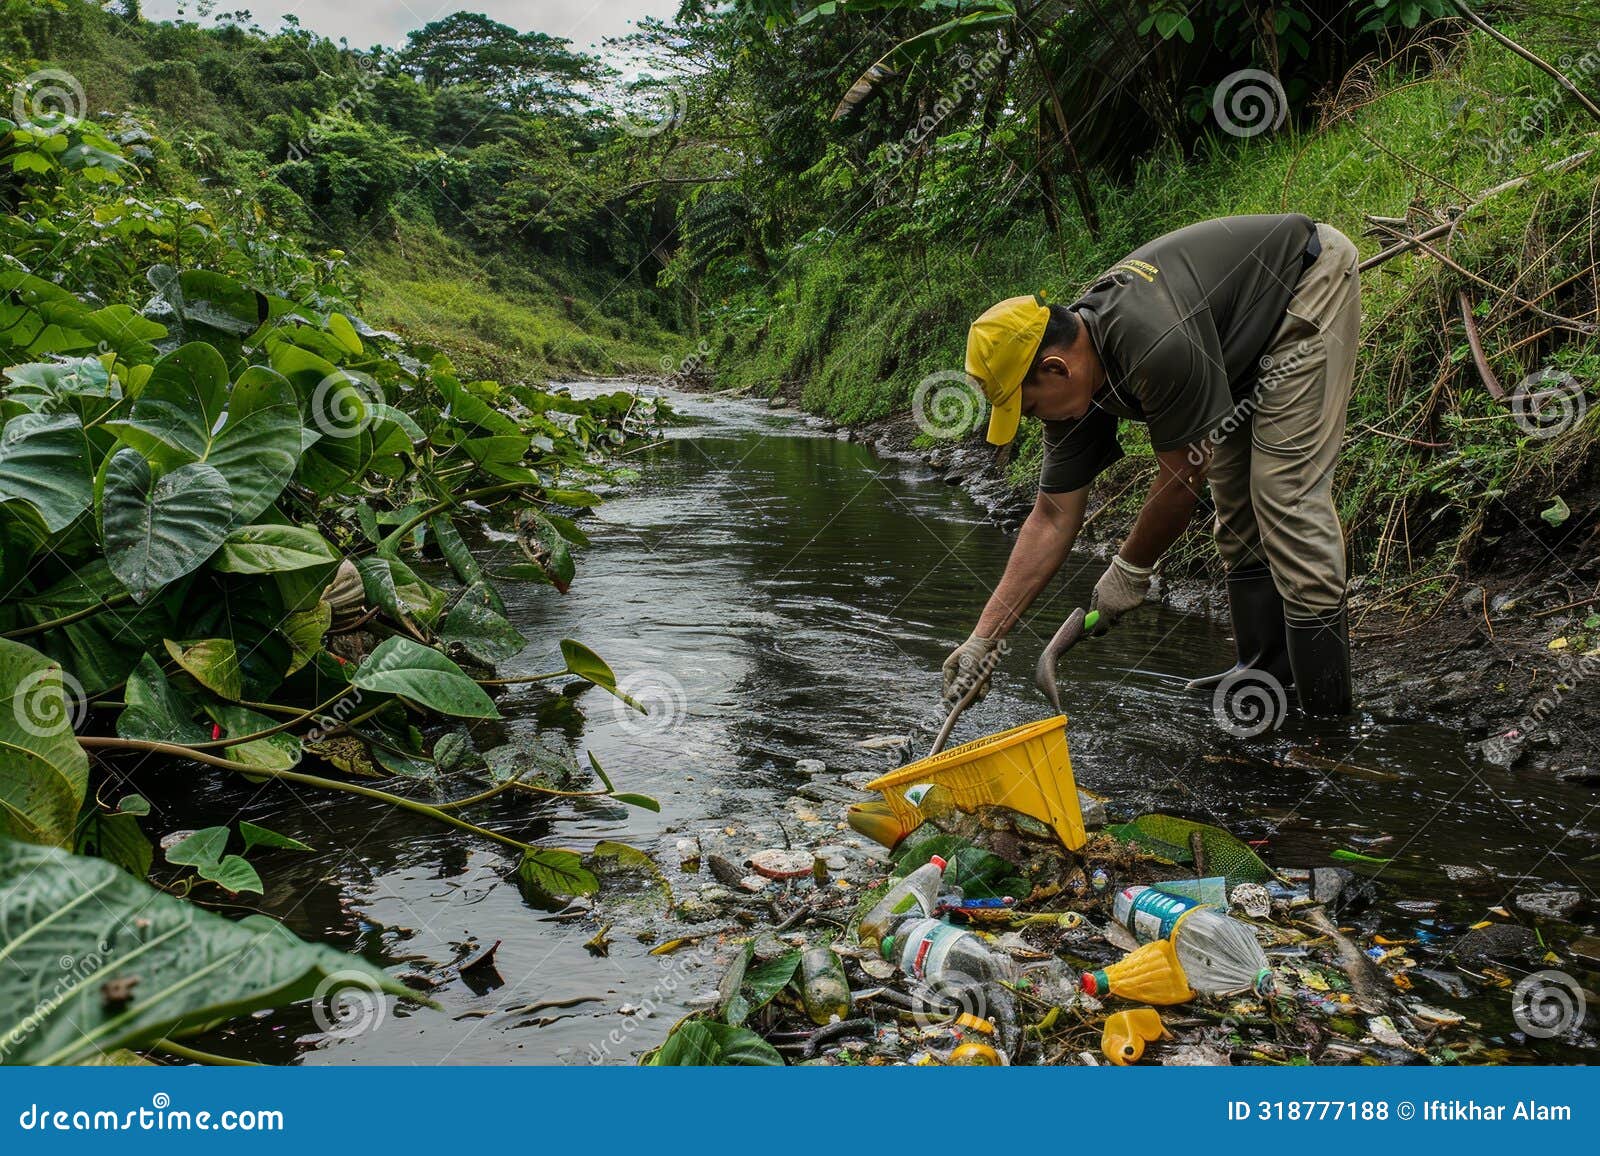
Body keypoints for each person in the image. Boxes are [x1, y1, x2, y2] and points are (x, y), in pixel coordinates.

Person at [943, 213, 1360, 719]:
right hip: (1228, 345)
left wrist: (1130, 570)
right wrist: (983, 640)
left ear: (1055, 369)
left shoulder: (1154, 343)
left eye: (1028, 409)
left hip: (1300, 288)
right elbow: (1052, 517)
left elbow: (1181, 479)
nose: (1034, 421)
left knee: (1283, 495)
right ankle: (1266, 673)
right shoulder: (1076, 378)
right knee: (1236, 504)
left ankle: (1326, 719)